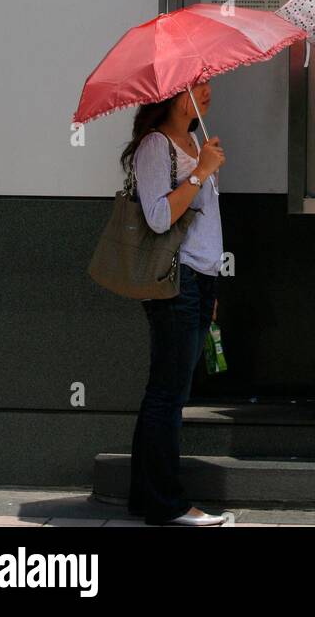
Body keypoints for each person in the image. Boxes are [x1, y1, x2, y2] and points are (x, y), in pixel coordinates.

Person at [123, 80, 228, 526]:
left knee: (172, 391)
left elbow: (208, 222)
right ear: (173, 95)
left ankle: (147, 497)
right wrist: (200, 171)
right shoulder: (155, 146)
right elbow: (159, 215)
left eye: (207, 85)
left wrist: (214, 284)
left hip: (200, 278)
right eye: (197, 87)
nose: (207, 93)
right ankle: (166, 503)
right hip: (174, 278)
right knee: (167, 393)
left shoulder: (197, 141)